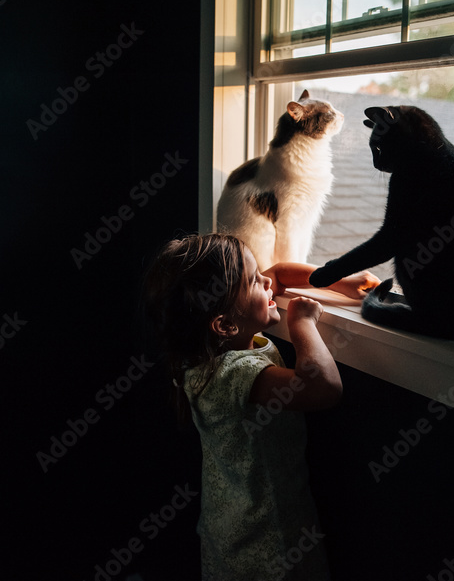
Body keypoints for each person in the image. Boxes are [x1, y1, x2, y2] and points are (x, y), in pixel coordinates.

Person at [141, 233, 377, 580]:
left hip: (227, 529)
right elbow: (323, 387)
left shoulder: (202, 353)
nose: (267, 282)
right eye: (253, 281)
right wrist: (301, 323)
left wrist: (341, 280)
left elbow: (279, 273)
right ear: (224, 324)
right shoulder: (233, 373)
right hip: (268, 538)